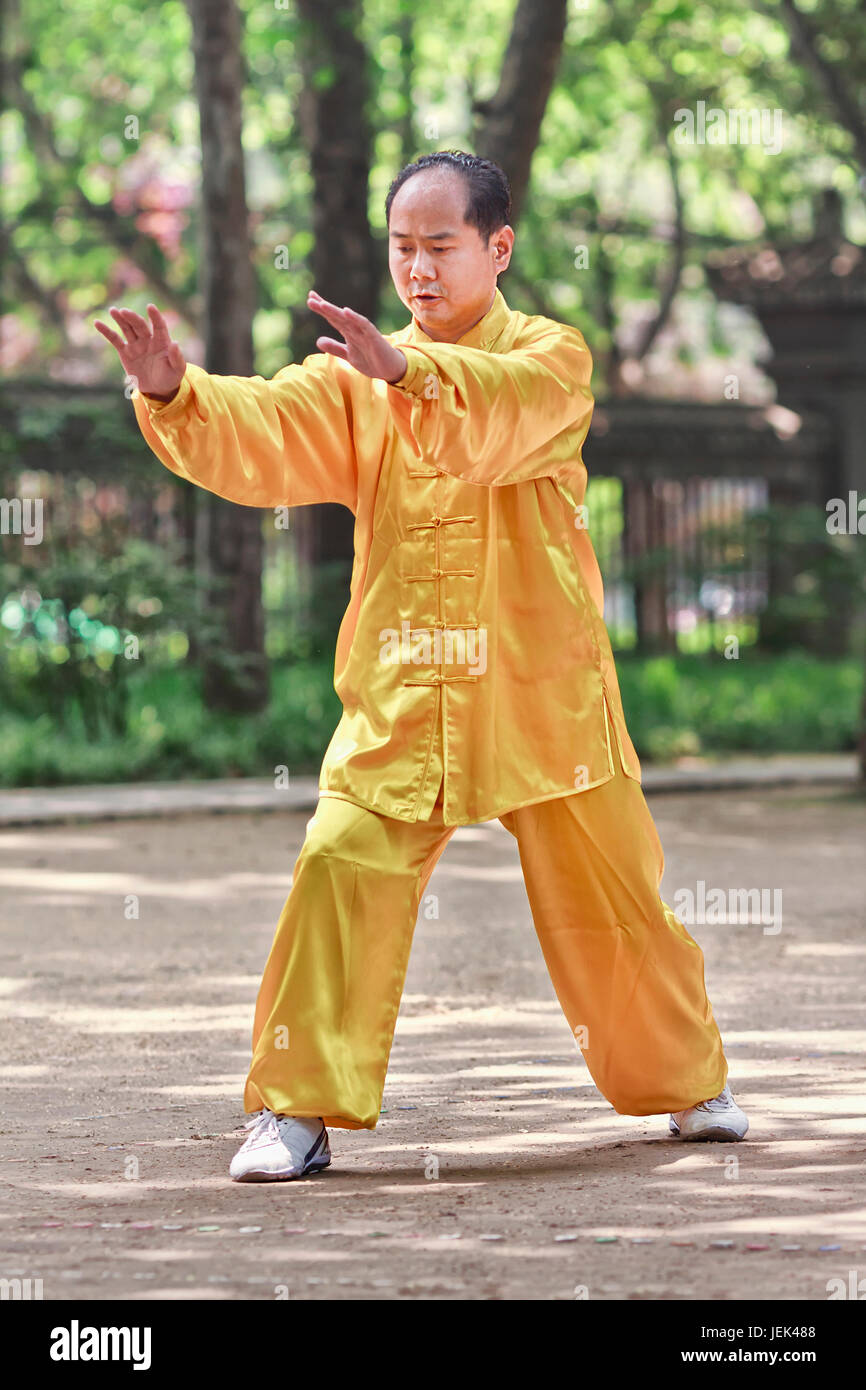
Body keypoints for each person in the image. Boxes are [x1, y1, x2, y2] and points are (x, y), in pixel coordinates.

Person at [94, 150, 748, 1184]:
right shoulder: (358, 377)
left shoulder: (550, 356)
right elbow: (264, 424)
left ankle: (682, 1081)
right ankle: (295, 1111)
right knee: (336, 866)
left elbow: (501, 418)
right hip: (403, 693)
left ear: (497, 246)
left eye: (439, 245)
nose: (418, 269)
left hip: (542, 692)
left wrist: (410, 376)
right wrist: (177, 392)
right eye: (402, 247)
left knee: (615, 896)